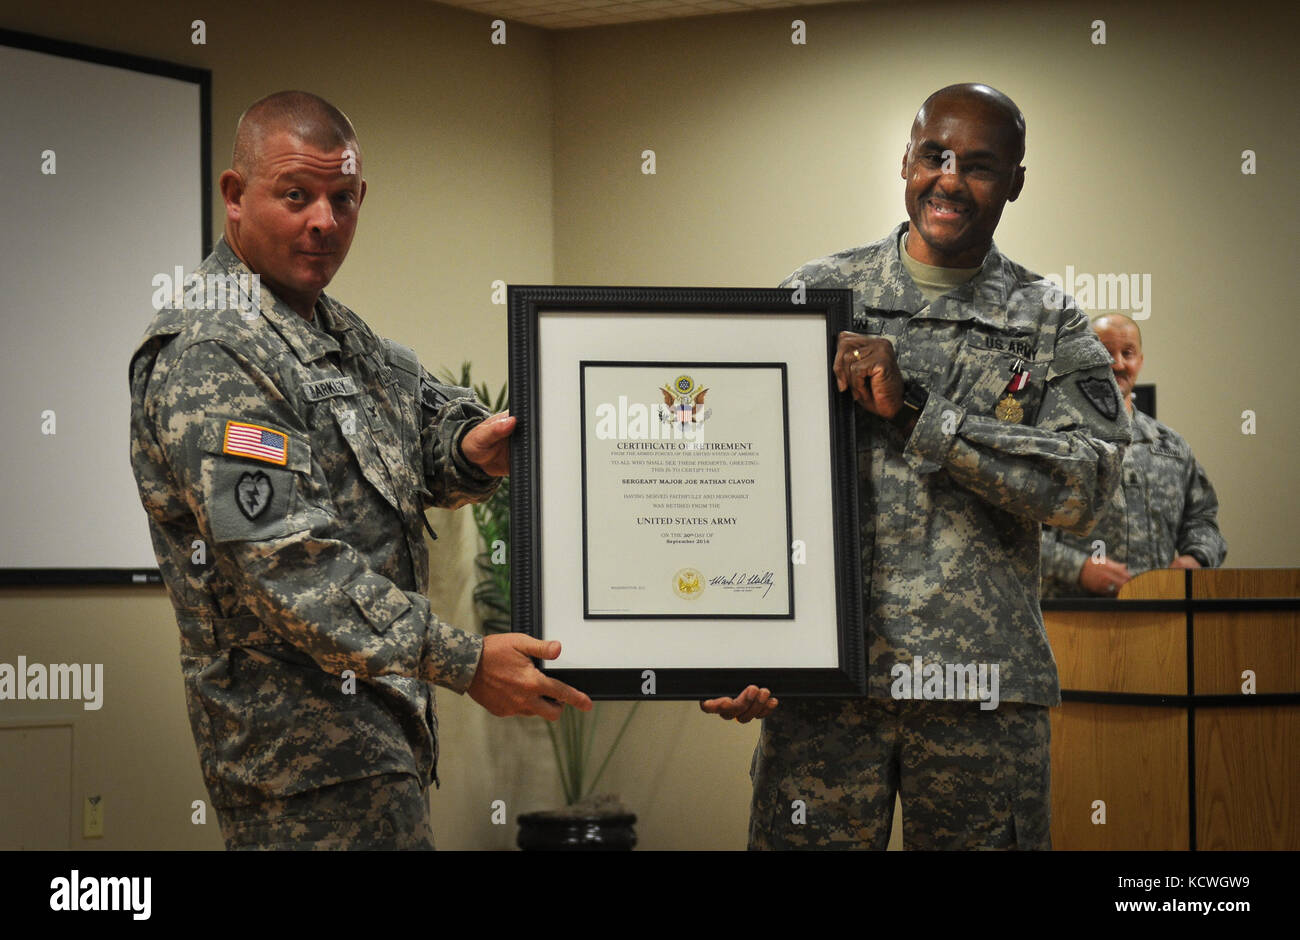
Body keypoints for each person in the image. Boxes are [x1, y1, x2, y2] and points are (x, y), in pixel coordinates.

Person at [129, 91, 590, 850]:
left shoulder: (333, 329)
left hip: (378, 742)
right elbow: (289, 566)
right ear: (235, 196)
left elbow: (423, 427)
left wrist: (470, 448)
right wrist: (466, 661)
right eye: (296, 195)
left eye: (342, 198)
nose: (324, 220)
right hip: (298, 770)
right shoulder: (215, 351)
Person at [702, 83, 1132, 849]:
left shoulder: (1047, 317)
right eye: (935, 155)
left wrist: (918, 412)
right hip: (826, 688)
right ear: (906, 160)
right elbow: (742, 483)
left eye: (979, 166)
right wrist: (733, 646)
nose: (950, 180)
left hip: (981, 693)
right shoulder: (815, 295)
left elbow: (1085, 488)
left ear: (1015, 182)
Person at [1041, 314, 1226, 596]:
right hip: (1073, 614)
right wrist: (1078, 567)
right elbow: (1010, 532)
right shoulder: (1050, 440)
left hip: (1160, 611)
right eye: (1105, 352)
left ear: (1139, 360)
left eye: (1127, 353)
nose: (1117, 364)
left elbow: (1202, 520)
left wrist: (1196, 557)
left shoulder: (1171, 448)